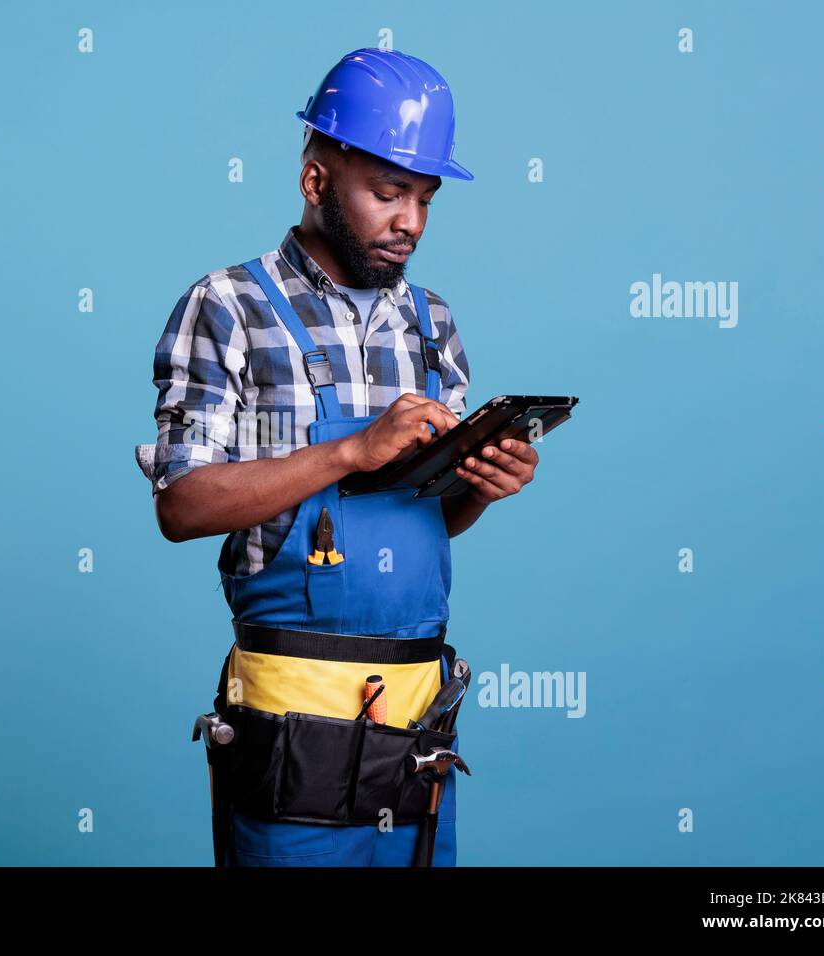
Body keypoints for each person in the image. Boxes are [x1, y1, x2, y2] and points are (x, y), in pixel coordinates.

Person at [135, 48, 540, 866]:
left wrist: (481, 490)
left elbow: (417, 522)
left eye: (424, 199)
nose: (412, 222)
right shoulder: (229, 308)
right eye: (389, 194)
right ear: (316, 180)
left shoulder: (432, 323)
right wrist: (350, 449)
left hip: (416, 729)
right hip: (290, 735)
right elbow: (182, 506)